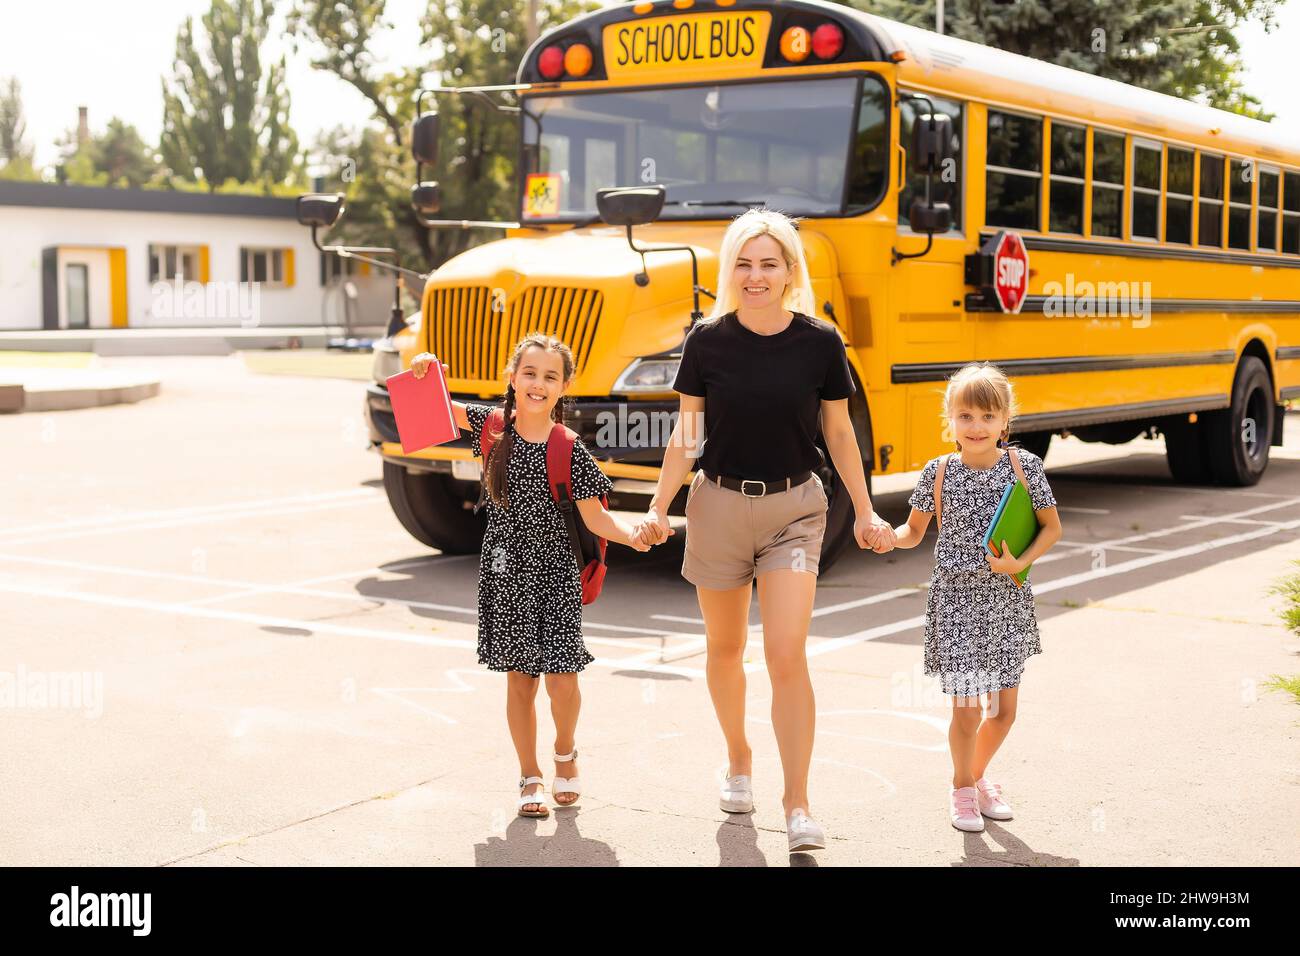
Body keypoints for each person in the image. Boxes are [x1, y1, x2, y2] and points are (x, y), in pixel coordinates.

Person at [635, 209, 896, 853]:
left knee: (785, 654)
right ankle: (739, 758)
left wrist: (865, 510)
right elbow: (688, 434)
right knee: (725, 650)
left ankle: (798, 803)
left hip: (795, 512)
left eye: (769, 264)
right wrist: (659, 506)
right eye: (745, 264)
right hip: (717, 508)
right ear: (732, 270)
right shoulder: (706, 342)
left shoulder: (820, 342)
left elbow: (839, 433)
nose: (756, 276)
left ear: (789, 271)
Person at [412, 334, 649, 818]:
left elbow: (598, 519)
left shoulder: (569, 448)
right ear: (512, 377)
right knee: (520, 680)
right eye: (530, 373)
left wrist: (636, 535)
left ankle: (565, 752)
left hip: (556, 575)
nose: (538, 384)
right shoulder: (492, 428)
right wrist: (424, 368)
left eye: (550, 377)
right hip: (505, 574)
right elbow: (430, 407)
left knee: (562, 680)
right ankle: (529, 774)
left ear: (564, 387)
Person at [881, 363, 1062, 832]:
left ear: (1005, 421)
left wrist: (1019, 563)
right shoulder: (938, 472)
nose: (976, 426)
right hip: (957, 605)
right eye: (965, 416)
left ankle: (976, 777)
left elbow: (1051, 528)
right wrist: (887, 537)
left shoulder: (1025, 467)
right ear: (950, 420)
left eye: (987, 416)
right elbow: (912, 532)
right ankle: (962, 790)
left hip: (1007, 603)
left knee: (1003, 713)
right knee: (967, 712)